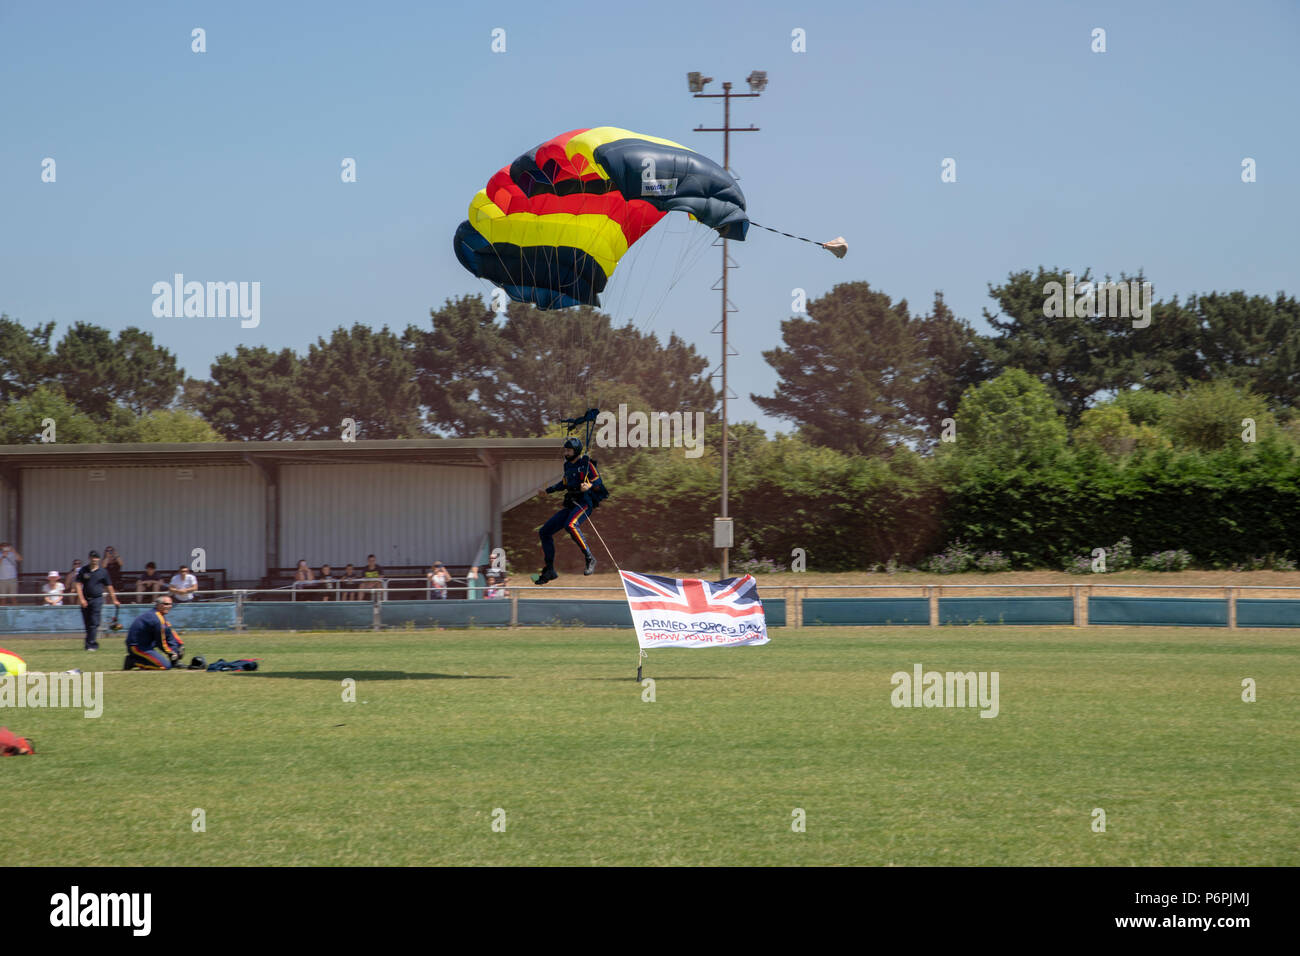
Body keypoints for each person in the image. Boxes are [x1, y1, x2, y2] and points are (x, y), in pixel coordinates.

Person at [534, 437, 605, 584]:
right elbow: (564, 483)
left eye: (568, 450)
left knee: (571, 525)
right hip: (571, 504)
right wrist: (547, 491)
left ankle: (590, 558)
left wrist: (589, 485)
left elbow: (598, 480)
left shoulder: (586, 464)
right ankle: (550, 570)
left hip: (584, 503)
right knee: (544, 532)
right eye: (565, 450)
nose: (565, 452)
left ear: (576, 451)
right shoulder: (567, 466)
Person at [74, 550, 120, 652]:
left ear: (98, 559)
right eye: (92, 557)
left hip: (97, 599)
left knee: (94, 622)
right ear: (89, 558)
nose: (94, 560)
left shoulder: (103, 572)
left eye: (96, 558)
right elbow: (77, 584)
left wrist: (114, 600)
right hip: (85, 599)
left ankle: (91, 645)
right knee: (87, 623)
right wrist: (81, 599)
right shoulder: (83, 570)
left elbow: (109, 586)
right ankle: (89, 643)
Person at [123, 596, 185, 670]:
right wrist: (171, 652)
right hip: (137, 646)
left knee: (174, 642)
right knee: (165, 666)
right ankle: (133, 661)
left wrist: (180, 645)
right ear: (158, 605)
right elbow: (161, 641)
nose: (169, 606)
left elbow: (169, 632)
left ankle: (175, 662)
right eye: (166, 604)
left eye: (170, 604)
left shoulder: (160, 616)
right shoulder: (156, 618)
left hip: (147, 644)